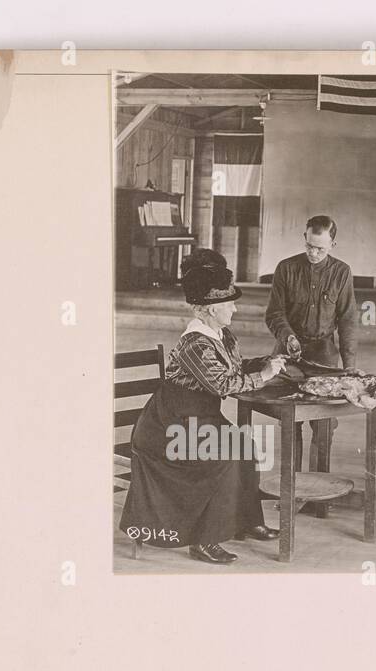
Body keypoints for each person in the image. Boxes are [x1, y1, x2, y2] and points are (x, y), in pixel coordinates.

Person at [119, 249, 284, 565]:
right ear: (208, 310)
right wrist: (264, 375)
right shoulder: (196, 342)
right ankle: (204, 541)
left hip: (196, 417)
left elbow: (231, 368)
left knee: (245, 446)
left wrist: (263, 362)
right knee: (221, 456)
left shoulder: (220, 334)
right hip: (168, 425)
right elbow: (222, 384)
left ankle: (248, 521)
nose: (235, 308)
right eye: (228, 304)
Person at [265, 214, 359, 473]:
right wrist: (288, 337)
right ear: (304, 239)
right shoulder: (286, 268)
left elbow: (348, 320)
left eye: (321, 248)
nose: (314, 253)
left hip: (325, 358)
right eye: (309, 246)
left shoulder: (342, 272)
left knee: (323, 424)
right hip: (288, 357)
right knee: (290, 422)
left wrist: (349, 365)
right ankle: (291, 489)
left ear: (333, 246)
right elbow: (274, 313)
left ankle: (318, 492)